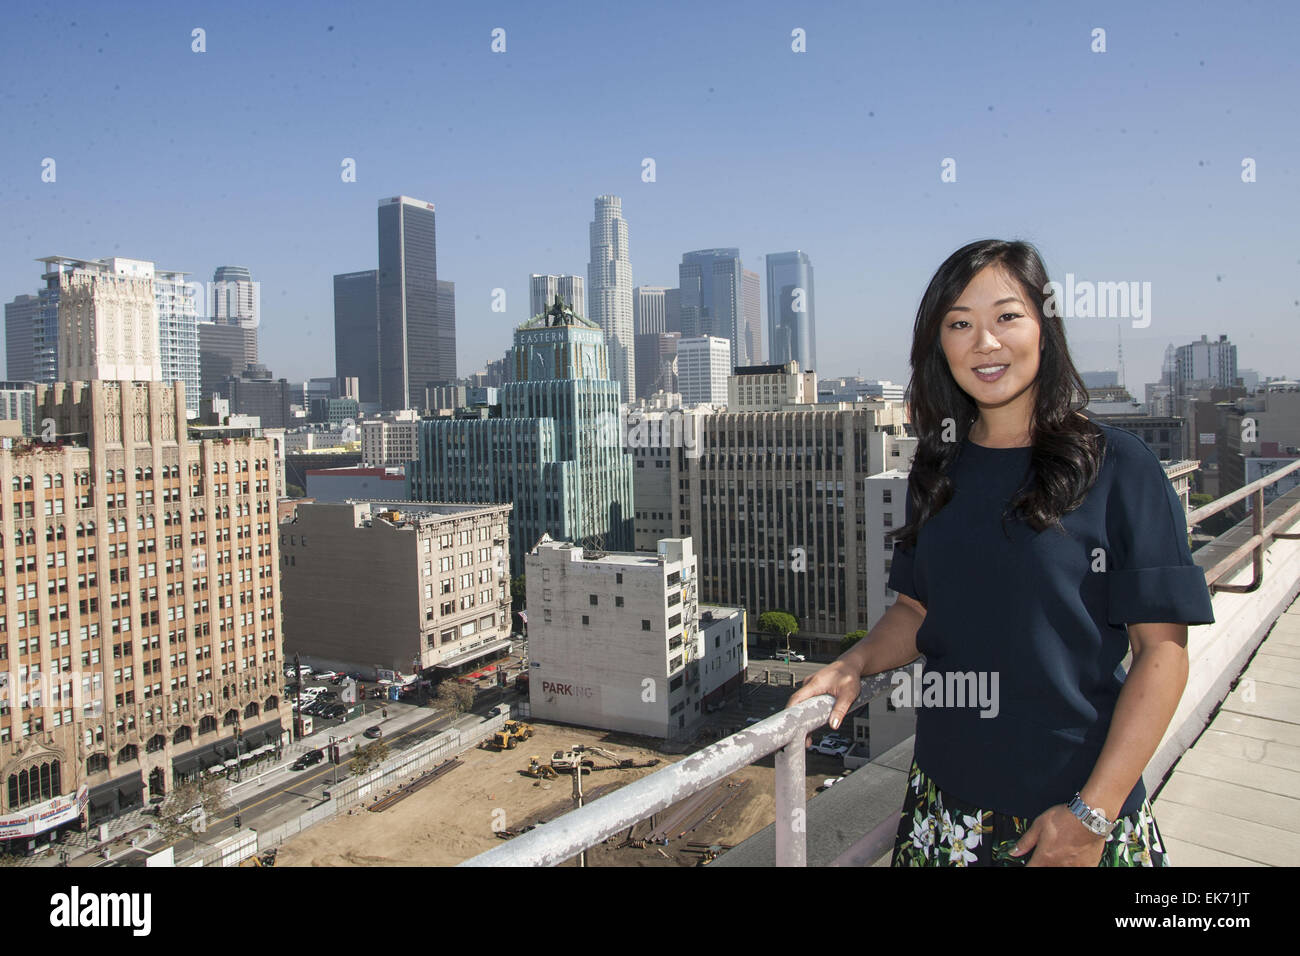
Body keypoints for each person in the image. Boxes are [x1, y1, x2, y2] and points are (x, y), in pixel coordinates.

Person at [787, 239, 1213, 867]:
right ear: (939, 345)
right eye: (959, 324)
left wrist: (1091, 816)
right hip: (944, 811)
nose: (985, 343)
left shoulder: (1119, 466)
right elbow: (917, 609)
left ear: (1045, 327)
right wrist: (855, 662)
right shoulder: (938, 467)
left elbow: (1163, 654)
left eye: (1007, 316)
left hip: (1073, 813)